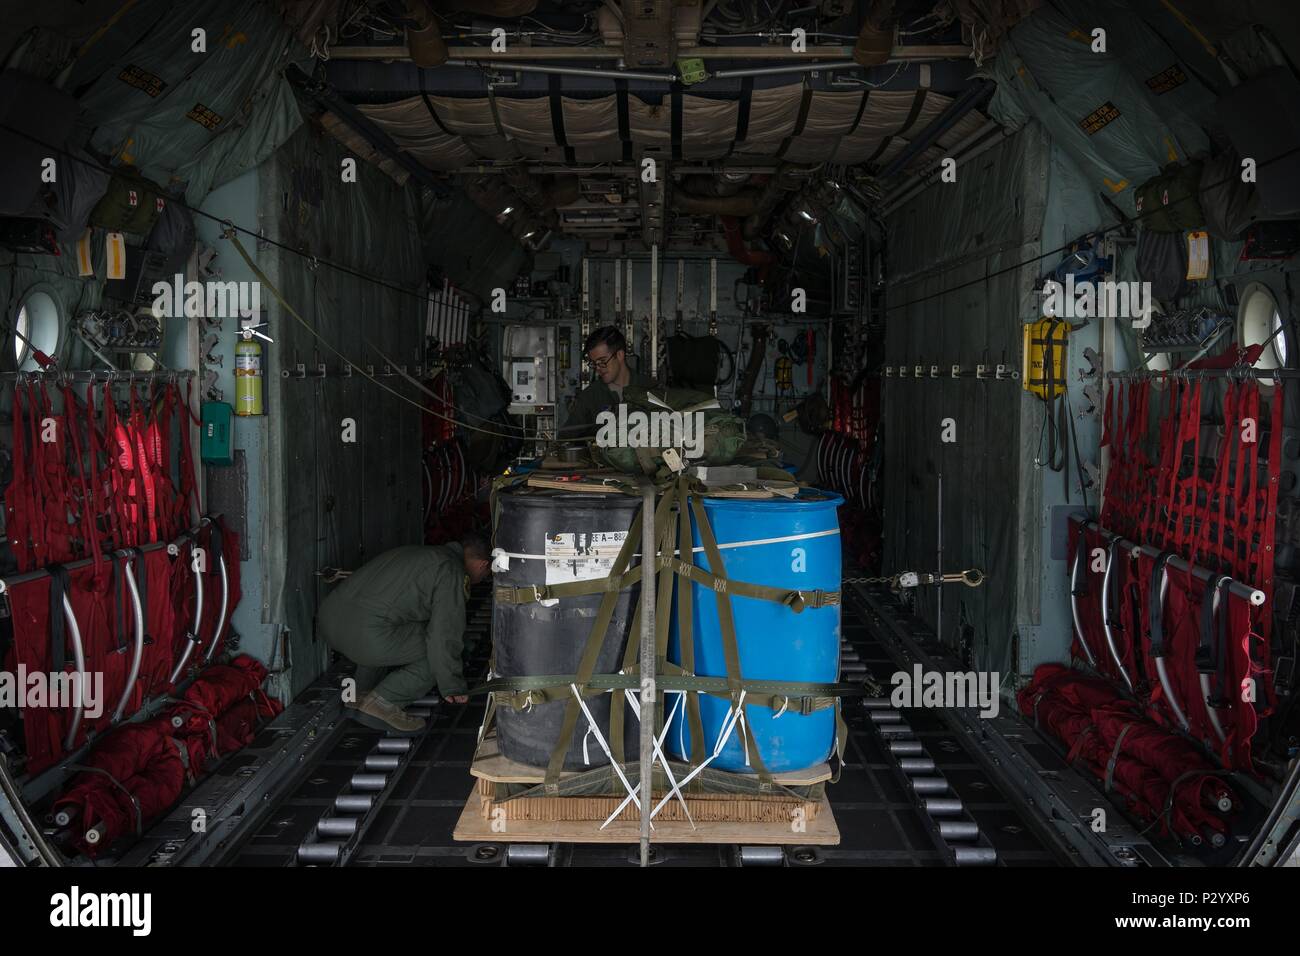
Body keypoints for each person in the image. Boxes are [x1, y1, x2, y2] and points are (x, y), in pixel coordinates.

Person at [316, 533, 492, 735]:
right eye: (485, 576)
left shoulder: (419, 552)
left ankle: (359, 694)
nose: (481, 580)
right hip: (367, 637)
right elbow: (443, 638)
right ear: (482, 565)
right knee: (439, 650)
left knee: (387, 624)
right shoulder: (452, 572)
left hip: (331, 623)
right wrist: (452, 686)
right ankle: (384, 702)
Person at [561, 326, 655, 437]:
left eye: (602, 361)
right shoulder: (589, 397)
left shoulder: (651, 389)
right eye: (594, 363)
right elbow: (566, 438)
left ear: (620, 355)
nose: (598, 368)